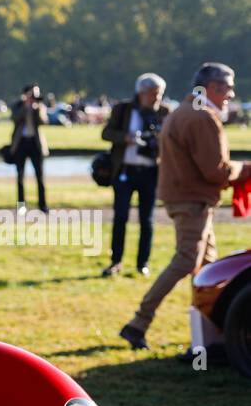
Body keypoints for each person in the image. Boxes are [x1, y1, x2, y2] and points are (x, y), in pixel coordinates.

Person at [119, 63, 251, 351]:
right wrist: (246, 169)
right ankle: (138, 323)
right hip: (193, 202)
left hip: (187, 199)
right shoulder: (202, 117)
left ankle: (208, 338)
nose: (231, 94)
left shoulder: (184, 112)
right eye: (228, 87)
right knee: (187, 262)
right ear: (213, 88)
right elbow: (216, 171)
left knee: (209, 272)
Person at [101, 73, 171, 277]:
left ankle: (143, 263)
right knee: (121, 217)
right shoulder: (123, 109)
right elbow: (106, 133)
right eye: (154, 94)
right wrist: (125, 137)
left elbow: (172, 141)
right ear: (141, 93)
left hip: (150, 171)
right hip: (125, 171)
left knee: (147, 219)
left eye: (160, 94)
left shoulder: (164, 112)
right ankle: (116, 261)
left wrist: (159, 141)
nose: (157, 98)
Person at [9, 84, 49, 212]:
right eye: (32, 94)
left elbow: (43, 121)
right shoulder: (18, 105)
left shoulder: (39, 106)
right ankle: (21, 207)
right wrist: (26, 107)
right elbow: (14, 119)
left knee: (40, 177)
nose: (34, 97)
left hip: (35, 144)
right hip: (21, 144)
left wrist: (35, 109)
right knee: (20, 177)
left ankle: (42, 206)